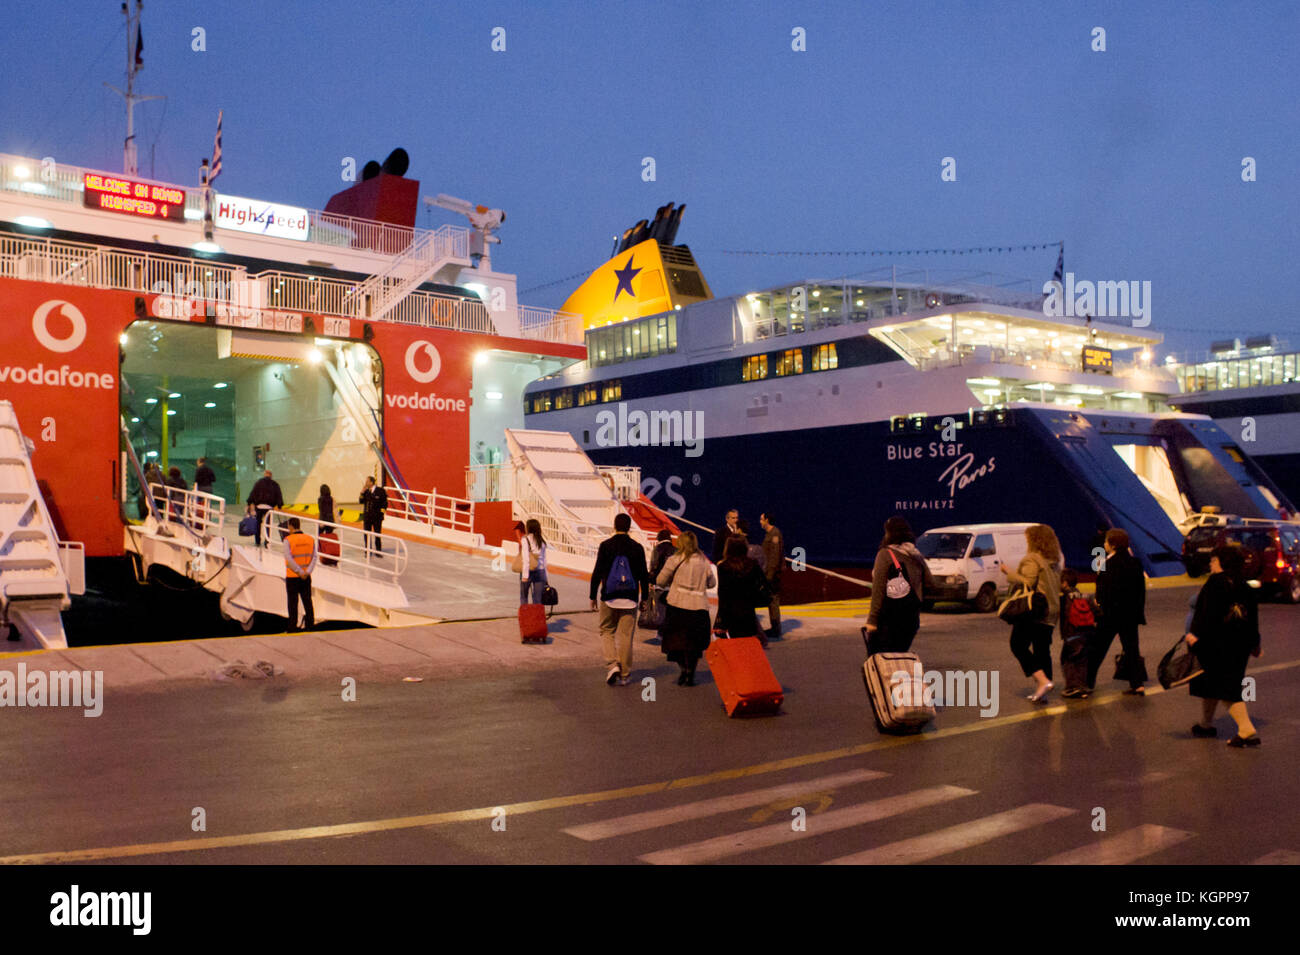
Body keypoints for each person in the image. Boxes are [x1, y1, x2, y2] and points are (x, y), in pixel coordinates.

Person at [1187, 545, 1262, 747]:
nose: (1211, 563)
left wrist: (1195, 637)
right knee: (1213, 684)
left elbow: (1206, 614)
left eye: (1213, 560)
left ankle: (1246, 729)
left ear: (1221, 562)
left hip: (1217, 644)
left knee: (1225, 686)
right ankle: (1205, 724)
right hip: (1241, 645)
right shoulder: (1245, 586)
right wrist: (1256, 643)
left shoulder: (1215, 583)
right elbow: (1253, 618)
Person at [1002, 523, 1063, 703]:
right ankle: (1044, 687)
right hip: (1051, 611)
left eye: (1027, 538)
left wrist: (1009, 572)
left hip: (1034, 611)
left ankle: (1042, 681)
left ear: (1034, 540)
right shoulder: (1053, 561)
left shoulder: (1032, 559)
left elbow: (1027, 582)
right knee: (1042, 650)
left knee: (1017, 645)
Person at [589, 512, 650, 686]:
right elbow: (643, 576)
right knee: (626, 636)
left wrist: (592, 596)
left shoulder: (606, 545)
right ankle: (624, 674)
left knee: (607, 630)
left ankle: (612, 664)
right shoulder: (637, 548)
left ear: (615, 526)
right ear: (629, 527)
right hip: (630, 598)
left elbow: (597, 572)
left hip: (609, 597)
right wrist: (644, 598)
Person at [1089, 528, 1149, 695]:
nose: (1104, 544)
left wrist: (1099, 606)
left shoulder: (1108, 564)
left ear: (1113, 545)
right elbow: (1140, 591)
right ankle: (1137, 684)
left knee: (1097, 649)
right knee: (1131, 650)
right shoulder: (1135, 563)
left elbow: (1102, 591)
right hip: (1130, 614)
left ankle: (1087, 682)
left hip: (1110, 615)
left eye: (1106, 542)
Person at [864, 516, 935, 656]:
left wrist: (872, 621)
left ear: (889, 534)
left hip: (888, 620)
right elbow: (931, 583)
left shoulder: (885, 554)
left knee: (879, 663)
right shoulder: (915, 555)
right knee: (899, 660)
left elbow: (878, 590)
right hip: (911, 621)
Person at [657, 530, 716, 686]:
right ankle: (691, 672)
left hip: (677, 606)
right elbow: (712, 583)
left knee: (675, 642)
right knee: (694, 644)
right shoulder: (703, 561)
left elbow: (660, 581)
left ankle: (683, 670)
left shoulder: (674, 559)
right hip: (698, 607)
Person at [715, 538, 770, 644]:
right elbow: (764, 584)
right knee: (748, 644)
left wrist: (721, 622)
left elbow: (722, 594)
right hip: (748, 610)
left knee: (735, 646)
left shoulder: (723, 566)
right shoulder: (753, 564)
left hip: (731, 613)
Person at [1059, 569, 1099, 699]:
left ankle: (1072, 687)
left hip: (1072, 634)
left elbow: (1063, 615)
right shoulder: (1085, 596)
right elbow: (1097, 612)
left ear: (1064, 583)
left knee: (1067, 659)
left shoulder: (1064, 597)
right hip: (1087, 634)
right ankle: (1082, 686)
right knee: (1082, 660)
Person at [282, 517, 318, 632]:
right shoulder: (310, 539)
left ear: (291, 526)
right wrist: (307, 572)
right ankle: (310, 625)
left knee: (293, 603)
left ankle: (292, 626)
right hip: (306, 577)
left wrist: (299, 571)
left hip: (293, 576)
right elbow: (314, 557)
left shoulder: (288, 540)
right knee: (307, 601)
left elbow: (288, 559)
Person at [760, 512, 784, 641]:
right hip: (769, 573)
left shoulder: (774, 534)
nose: (760, 522)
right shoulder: (770, 534)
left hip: (772, 574)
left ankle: (776, 628)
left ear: (767, 520)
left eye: (762, 519)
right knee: (771, 600)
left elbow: (774, 558)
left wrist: (769, 576)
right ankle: (774, 627)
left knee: (773, 600)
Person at [247, 469, 284, 547]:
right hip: (269, 508)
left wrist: (249, 502)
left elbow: (253, 493)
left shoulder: (259, 483)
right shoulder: (275, 484)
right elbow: (279, 495)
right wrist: (280, 505)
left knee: (258, 524)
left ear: (265, 475)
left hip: (259, 507)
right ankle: (267, 541)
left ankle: (257, 541)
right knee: (268, 525)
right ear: (271, 475)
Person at [519, 518, 548, 605]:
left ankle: (525, 617)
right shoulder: (542, 541)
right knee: (538, 599)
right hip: (540, 571)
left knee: (524, 597)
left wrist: (525, 575)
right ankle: (537, 617)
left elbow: (526, 559)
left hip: (529, 571)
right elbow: (544, 560)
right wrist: (546, 577)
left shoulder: (525, 539)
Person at [360, 475, 388, 555]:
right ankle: (368, 550)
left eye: (367, 481)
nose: (366, 483)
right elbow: (361, 501)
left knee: (377, 534)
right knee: (367, 534)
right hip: (367, 517)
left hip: (377, 517)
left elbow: (385, 503)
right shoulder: (366, 491)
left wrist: (381, 513)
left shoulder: (380, 491)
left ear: (371, 482)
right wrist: (361, 493)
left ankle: (378, 551)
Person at [317, 484, 338, 568]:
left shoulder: (320, 499)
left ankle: (321, 553)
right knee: (329, 538)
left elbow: (321, 510)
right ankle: (329, 553)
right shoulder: (332, 499)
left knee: (320, 537)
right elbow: (335, 510)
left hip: (323, 520)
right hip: (330, 520)